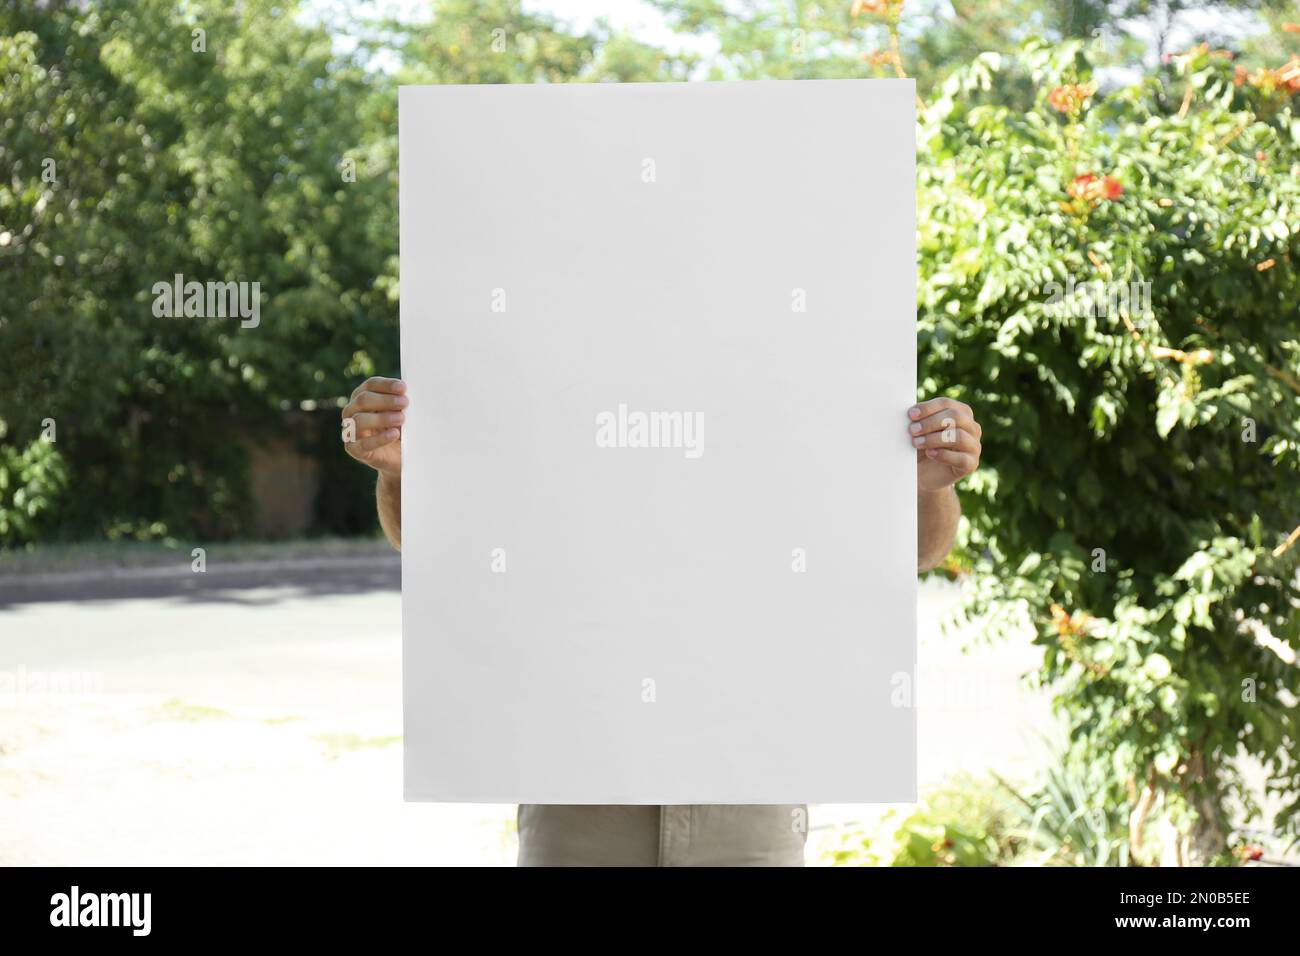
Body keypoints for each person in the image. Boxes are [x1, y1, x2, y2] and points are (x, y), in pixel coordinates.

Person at [343, 375, 982, 866]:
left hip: (749, 793)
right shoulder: (543, 358)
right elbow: (429, 546)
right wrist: (406, 472)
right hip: (580, 794)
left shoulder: (790, 364)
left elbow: (921, 552)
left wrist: (928, 481)